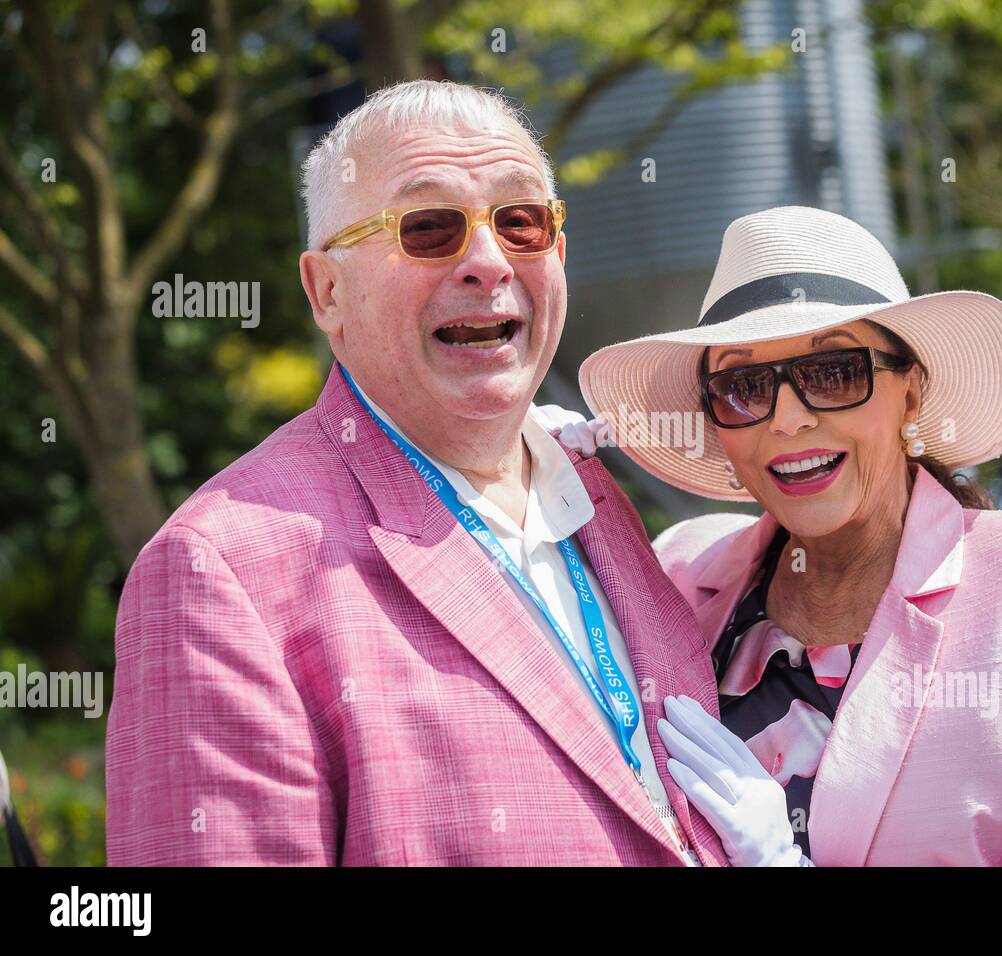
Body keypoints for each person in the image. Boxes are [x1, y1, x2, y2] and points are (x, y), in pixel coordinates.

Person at [104, 80, 729, 866]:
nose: (488, 262)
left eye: (521, 222)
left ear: (558, 255)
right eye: (429, 227)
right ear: (327, 291)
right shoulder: (221, 571)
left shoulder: (600, 501)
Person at [562, 206, 1002, 865]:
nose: (787, 420)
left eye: (833, 372)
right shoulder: (681, 566)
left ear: (911, 393)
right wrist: (524, 478)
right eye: (744, 386)